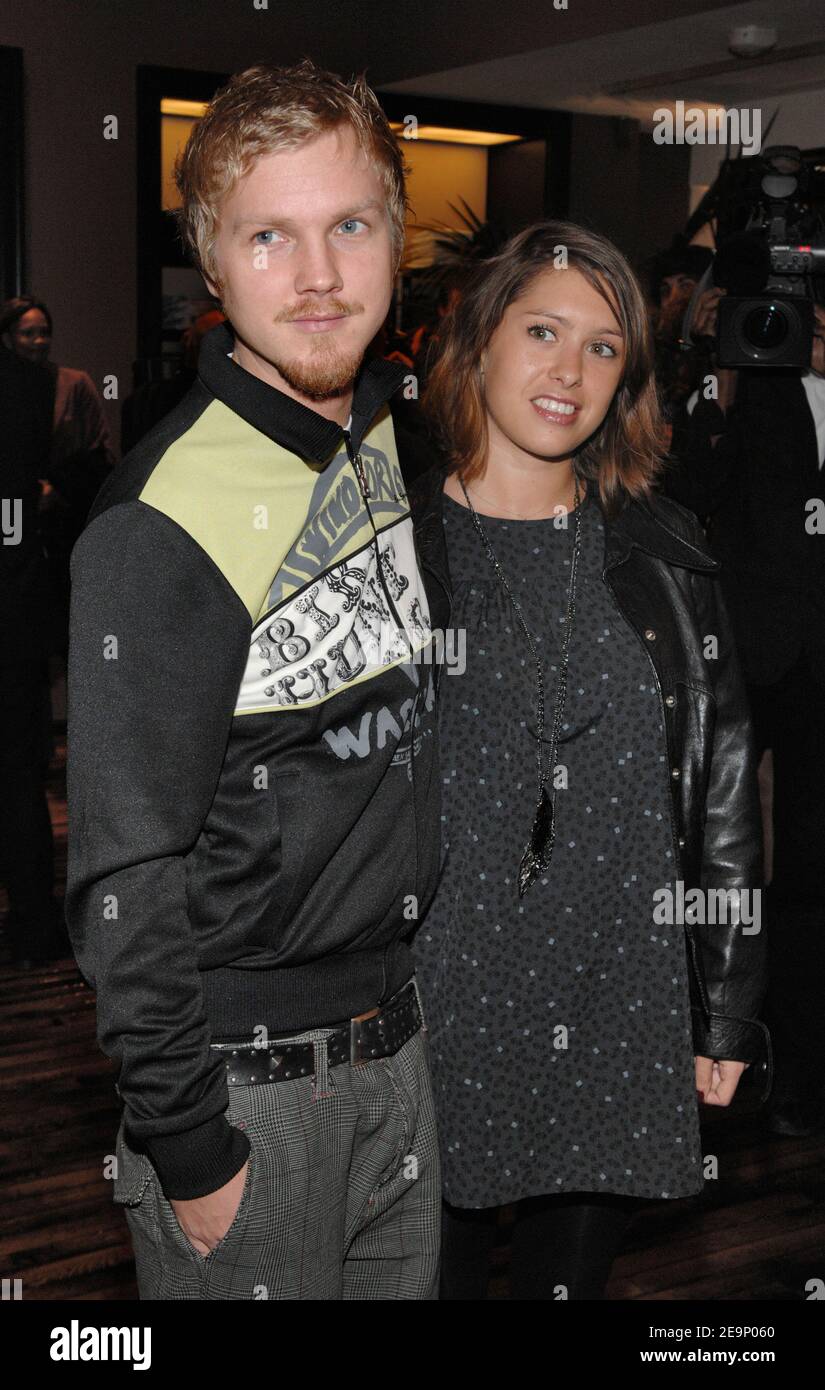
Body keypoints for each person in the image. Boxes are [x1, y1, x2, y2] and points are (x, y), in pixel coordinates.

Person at [65, 59, 446, 1301]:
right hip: (246, 1093)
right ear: (213, 268)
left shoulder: (398, 434)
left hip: (401, 1056)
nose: (321, 274)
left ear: (396, 239)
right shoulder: (158, 523)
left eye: (350, 224)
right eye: (269, 235)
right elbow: (122, 875)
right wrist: (190, 1146)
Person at [407, 220, 772, 1300]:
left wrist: (727, 1007)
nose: (570, 370)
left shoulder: (667, 551)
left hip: (618, 990)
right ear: (479, 344)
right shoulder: (395, 548)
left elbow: (724, 789)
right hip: (441, 996)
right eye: (544, 331)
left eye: (605, 347)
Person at [663, 282, 825, 1137]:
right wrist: (708, 375)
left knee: (810, 870)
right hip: (734, 647)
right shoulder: (746, 370)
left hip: (817, 664)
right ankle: (695, 1043)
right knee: (706, 854)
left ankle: (795, 1071)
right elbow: (685, 488)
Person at [0, 340, 66, 967]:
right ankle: (35, 921)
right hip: (16, 606)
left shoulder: (33, 383)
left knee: (18, 780)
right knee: (18, 778)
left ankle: (35, 919)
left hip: (16, 604)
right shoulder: (29, 384)